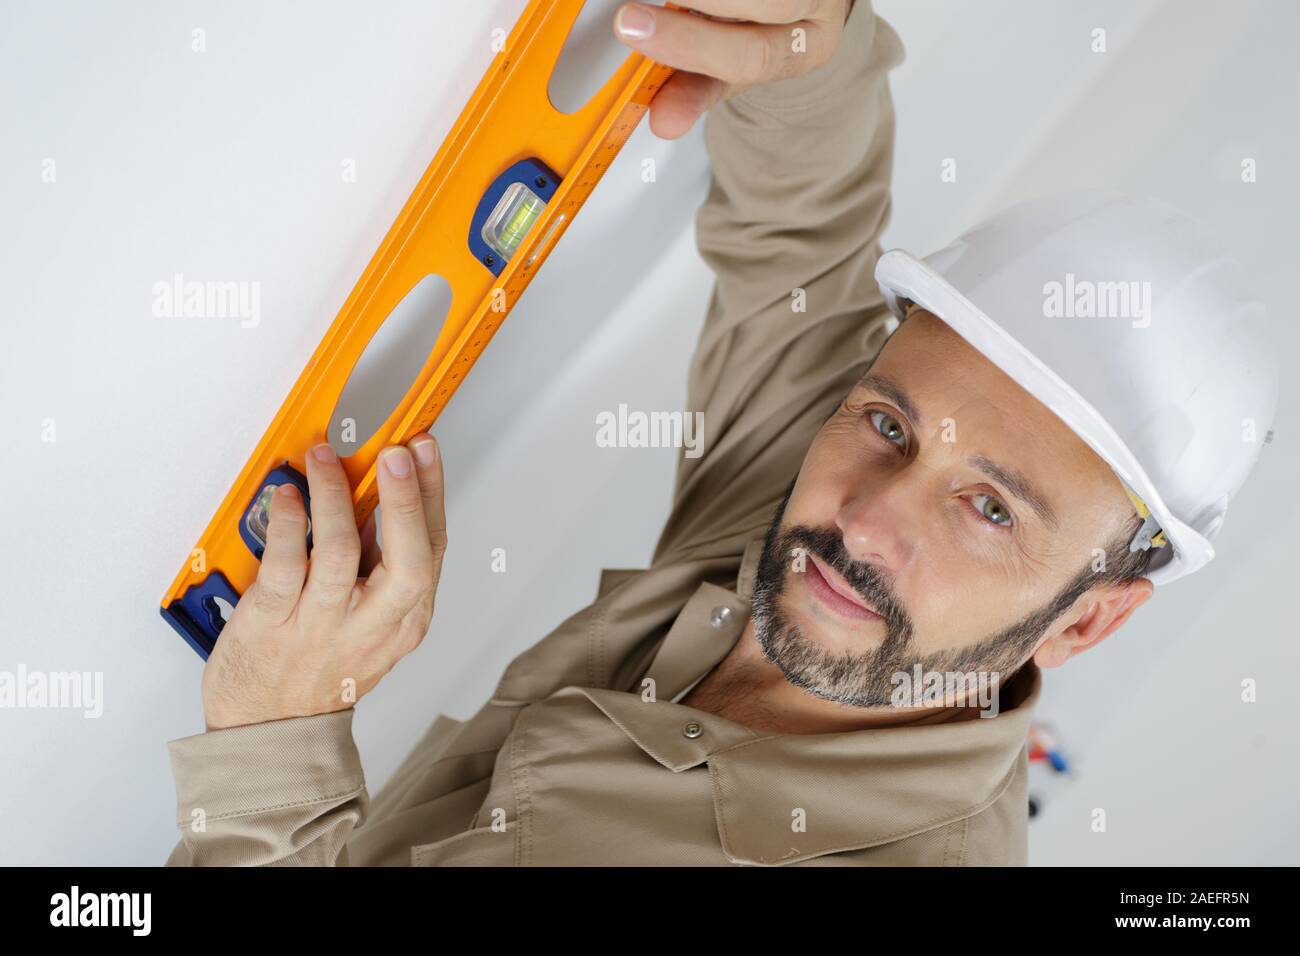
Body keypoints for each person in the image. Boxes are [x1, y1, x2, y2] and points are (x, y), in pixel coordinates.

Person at [164, 0, 1276, 866]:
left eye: (989, 507)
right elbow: (804, 232)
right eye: (889, 420)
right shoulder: (817, 531)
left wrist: (270, 748)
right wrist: (798, 39)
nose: (863, 520)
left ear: (1088, 619)